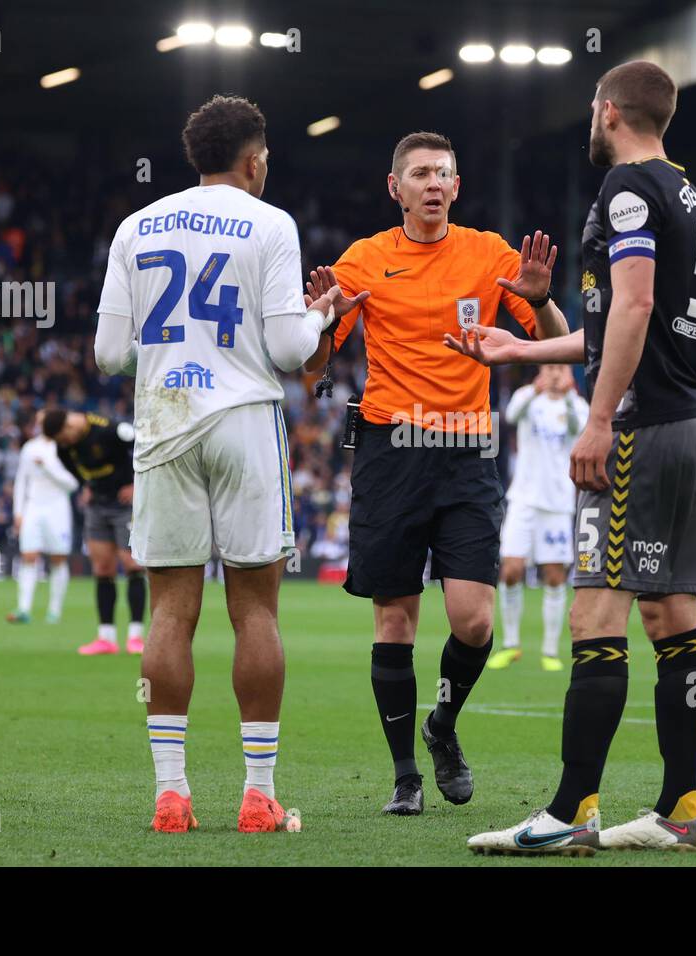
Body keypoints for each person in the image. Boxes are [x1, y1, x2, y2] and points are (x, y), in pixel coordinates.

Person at [447, 61, 696, 854]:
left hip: (640, 427)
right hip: (693, 423)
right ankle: (678, 810)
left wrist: (599, 420)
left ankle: (571, 813)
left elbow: (634, 305)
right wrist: (525, 348)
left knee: (595, 611)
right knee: (672, 614)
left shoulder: (625, 189)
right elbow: (628, 323)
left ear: (607, 112)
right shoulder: (686, 192)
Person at [93, 93, 350, 834]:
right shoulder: (270, 224)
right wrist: (324, 314)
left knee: (169, 612)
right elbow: (289, 351)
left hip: (165, 424)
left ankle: (170, 794)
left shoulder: (135, 227)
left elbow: (110, 354)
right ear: (254, 160)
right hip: (241, 421)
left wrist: (177, 361)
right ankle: (257, 793)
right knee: (255, 611)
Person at [301, 131, 568, 815]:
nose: (430, 184)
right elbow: (310, 374)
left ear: (456, 186)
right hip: (391, 450)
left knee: (474, 621)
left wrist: (538, 300)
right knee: (394, 622)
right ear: (396, 188)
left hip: (469, 451)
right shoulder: (363, 261)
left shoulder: (489, 254)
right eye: (418, 173)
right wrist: (319, 326)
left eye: (441, 174)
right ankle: (404, 777)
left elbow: (551, 345)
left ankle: (442, 725)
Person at [490, 365, 588, 672]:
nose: (555, 374)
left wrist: (570, 393)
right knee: (510, 569)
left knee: (555, 575)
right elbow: (510, 415)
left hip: (558, 503)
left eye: (561, 368)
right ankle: (510, 645)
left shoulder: (577, 404)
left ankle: (549, 650)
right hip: (523, 499)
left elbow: (580, 427)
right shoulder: (528, 398)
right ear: (541, 370)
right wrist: (536, 388)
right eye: (550, 368)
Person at [41, 408, 146, 655]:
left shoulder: (110, 429)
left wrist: (137, 484)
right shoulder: (63, 448)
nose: (63, 444)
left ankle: (136, 636)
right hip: (97, 506)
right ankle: (106, 637)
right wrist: (86, 487)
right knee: (102, 569)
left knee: (132, 565)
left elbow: (145, 448)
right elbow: (76, 472)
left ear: (68, 427)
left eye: (63, 438)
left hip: (125, 505)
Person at [7, 410, 78, 624]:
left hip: (57, 507)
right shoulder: (30, 447)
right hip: (33, 506)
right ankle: (23, 608)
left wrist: (47, 468)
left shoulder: (65, 447)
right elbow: (21, 480)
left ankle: (54, 611)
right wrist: (18, 511)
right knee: (29, 556)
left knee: (58, 558)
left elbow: (73, 483)